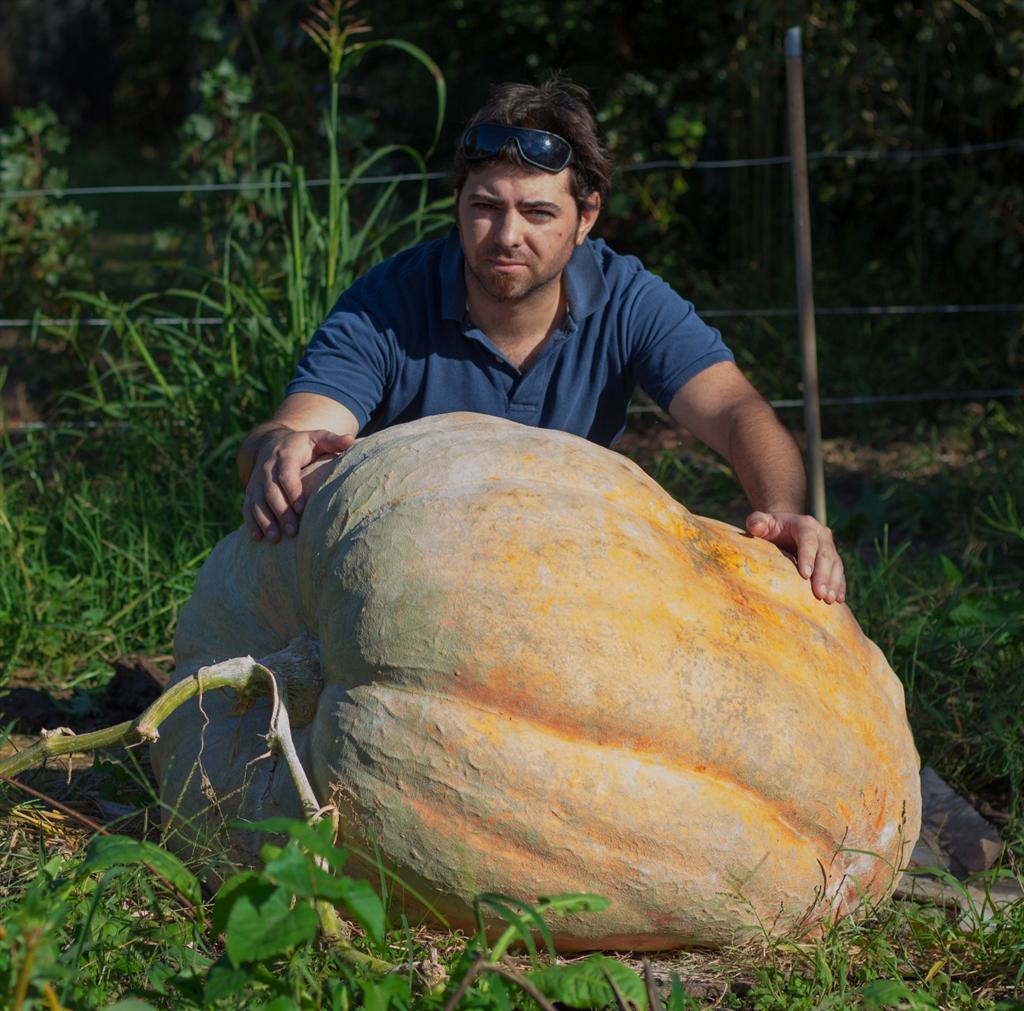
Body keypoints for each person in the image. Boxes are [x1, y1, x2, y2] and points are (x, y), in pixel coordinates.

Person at [237, 78, 845, 604]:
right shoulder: (387, 304)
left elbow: (737, 411)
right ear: (457, 204)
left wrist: (783, 509)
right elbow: (296, 429)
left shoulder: (628, 298)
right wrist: (278, 448)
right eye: (484, 206)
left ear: (586, 218)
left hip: (570, 570)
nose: (506, 235)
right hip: (407, 575)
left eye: (538, 213)